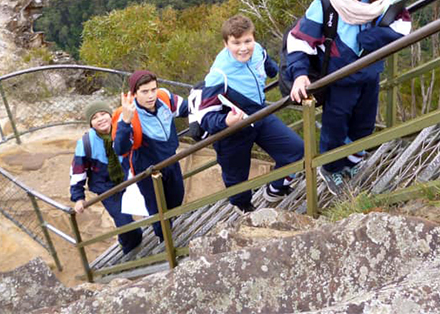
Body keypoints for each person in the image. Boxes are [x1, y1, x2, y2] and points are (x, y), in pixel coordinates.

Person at [287, 0, 411, 195]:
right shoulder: (326, 4)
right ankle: (331, 168)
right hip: (339, 80)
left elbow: (402, 27)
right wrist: (299, 75)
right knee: (335, 127)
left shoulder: (382, 1)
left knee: (364, 125)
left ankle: (352, 162)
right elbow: (299, 41)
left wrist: (375, 38)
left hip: (370, 75)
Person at [191, 14, 304, 213]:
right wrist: (226, 121)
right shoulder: (219, 74)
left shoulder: (257, 50)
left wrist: (275, 72)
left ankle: (275, 189)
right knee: (237, 178)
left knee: (296, 150)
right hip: (233, 129)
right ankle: (243, 207)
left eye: (247, 41)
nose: (243, 48)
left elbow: (266, 63)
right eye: (236, 43)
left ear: (253, 38)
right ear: (226, 44)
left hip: (259, 114)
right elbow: (206, 116)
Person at [114, 70, 186, 241]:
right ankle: (165, 239)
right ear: (134, 94)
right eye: (144, 92)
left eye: (153, 89)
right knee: (156, 207)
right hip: (147, 169)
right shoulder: (129, 115)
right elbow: (120, 148)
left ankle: (168, 223)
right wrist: (125, 121)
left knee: (177, 196)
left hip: (170, 159)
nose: (151, 95)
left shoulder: (164, 98)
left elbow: (186, 107)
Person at [70, 101, 143, 254]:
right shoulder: (86, 143)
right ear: (90, 123)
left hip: (129, 179)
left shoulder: (122, 131)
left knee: (150, 207)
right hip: (106, 188)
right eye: (95, 117)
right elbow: (78, 171)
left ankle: (138, 240)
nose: (100, 119)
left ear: (110, 115)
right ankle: (129, 249)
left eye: (103, 114)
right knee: (125, 222)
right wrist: (78, 197)